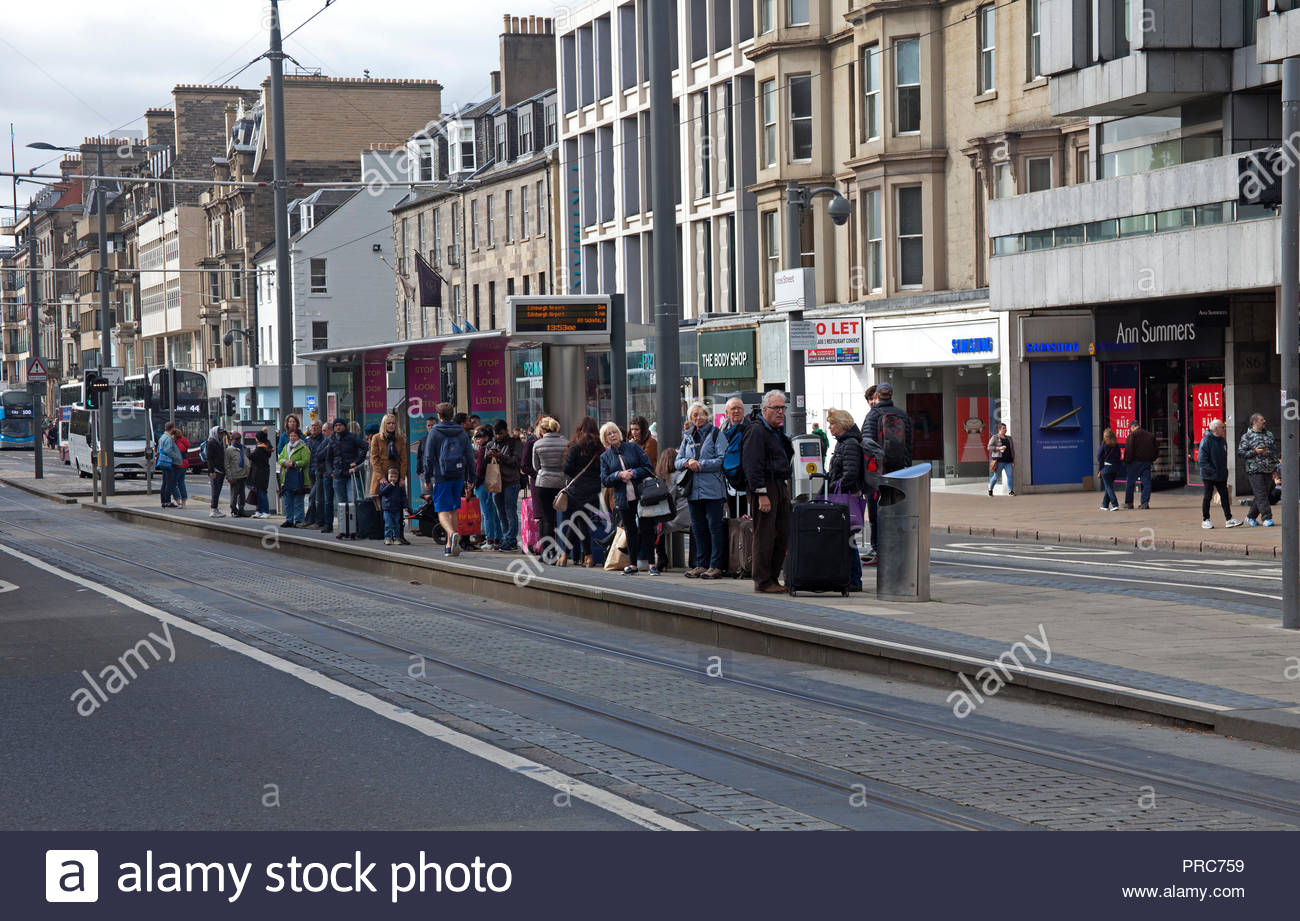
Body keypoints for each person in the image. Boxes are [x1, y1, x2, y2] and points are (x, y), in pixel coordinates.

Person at [742, 390, 794, 594]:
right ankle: (763, 581)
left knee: (782, 534)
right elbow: (752, 465)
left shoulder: (775, 431)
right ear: (765, 410)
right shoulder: (757, 431)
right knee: (765, 534)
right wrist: (761, 493)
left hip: (779, 485)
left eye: (783, 408)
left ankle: (772, 577)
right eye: (776, 408)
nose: (781, 412)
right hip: (766, 487)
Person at [676, 402, 727, 579]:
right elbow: (677, 461)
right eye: (694, 415)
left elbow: (721, 460)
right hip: (693, 491)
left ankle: (715, 565)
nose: (698, 418)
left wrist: (700, 465)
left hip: (713, 490)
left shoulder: (716, 434)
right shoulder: (687, 437)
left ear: (707, 415)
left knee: (715, 527)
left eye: (701, 414)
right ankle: (701, 564)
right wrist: (687, 462)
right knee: (698, 528)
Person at [600, 421, 656, 575]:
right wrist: (618, 475)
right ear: (605, 438)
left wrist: (634, 473)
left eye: (614, 432)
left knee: (647, 529)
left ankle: (652, 564)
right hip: (622, 498)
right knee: (630, 531)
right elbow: (604, 479)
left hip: (642, 495)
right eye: (609, 434)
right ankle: (633, 564)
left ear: (619, 433)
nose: (613, 435)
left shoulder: (633, 447)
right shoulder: (605, 457)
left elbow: (648, 467)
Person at [423, 402, 474, 556]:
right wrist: (471, 477)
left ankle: (451, 534)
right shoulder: (461, 432)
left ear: (439, 416)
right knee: (453, 509)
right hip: (458, 475)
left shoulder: (435, 432)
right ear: (452, 414)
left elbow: (428, 457)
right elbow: (470, 456)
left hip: (441, 476)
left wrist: (427, 477)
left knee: (442, 510)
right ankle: (450, 545)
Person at [826, 408, 864, 593]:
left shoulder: (849, 443)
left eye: (832, 424)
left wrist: (833, 487)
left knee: (848, 539)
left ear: (841, 424)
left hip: (846, 497)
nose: (830, 428)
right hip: (842, 495)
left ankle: (855, 579)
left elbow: (850, 474)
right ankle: (850, 577)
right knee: (845, 538)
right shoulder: (843, 443)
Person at [560, 416, 603, 567]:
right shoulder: (600, 447)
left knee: (578, 521)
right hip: (594, 490)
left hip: (577, 490)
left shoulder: (576, 446)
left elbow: (567, 469)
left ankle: (583, 556)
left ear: (580, 429)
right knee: (579, 521)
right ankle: (570, 555)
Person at [530, 416, 569, 563]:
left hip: (544, 482)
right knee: (562, 518)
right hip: (561, 482)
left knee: (547, 519)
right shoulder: (566, 443)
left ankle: (548, 553)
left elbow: (535, 466)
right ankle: (563, 551)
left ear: (543, 429)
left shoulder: (538, 444)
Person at [322, 417, 367, 537]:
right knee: (341, 503)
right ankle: (343, 529)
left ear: (344, 426)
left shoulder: (352, 437)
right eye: (335, 425)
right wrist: (330, 471)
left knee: (352, 500)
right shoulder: (332, 440)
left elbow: (365, 447)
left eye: (340, 425)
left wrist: (357, 462)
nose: (337, 427)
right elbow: (328, 459)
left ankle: (355, 528)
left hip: (350, 474)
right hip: (337, 474)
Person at [486, 419, 524, 552]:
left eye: (500, 433)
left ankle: (511, 540)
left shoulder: (515, 443)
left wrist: (501, 456)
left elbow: (517, 461)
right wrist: (489, 455)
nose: (498, 436)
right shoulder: (491, 443)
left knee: (510, 511)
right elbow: (484, 461)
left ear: (506, 430)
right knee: (500, 512)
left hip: (511, 482)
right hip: (496, 482)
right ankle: (506, 537)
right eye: (495, 434)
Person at [1197, 419, 1239, 530]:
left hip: (1221, 474)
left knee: (1224, 496)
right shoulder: (1206, 441)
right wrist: (1213, 471)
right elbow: (1201, 460)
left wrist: (1223, 471)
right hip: (1209, 475)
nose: (1224, 429)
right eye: (1222, 427)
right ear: (1215, 429)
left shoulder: (1222, 441)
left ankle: (1229, 519)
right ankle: (1205, 519)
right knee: (1207, 496)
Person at [1238, 412, 1279, 527]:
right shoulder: (1246, 436)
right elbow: (1240, 453)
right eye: (1262, 420)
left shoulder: (1269, 434)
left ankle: (1250, 517)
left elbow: (1273, 452)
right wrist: (1254, 452)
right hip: (1254, 470)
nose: (1264, 421)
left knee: (1262, 494)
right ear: (1254, 422)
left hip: (1268, 469)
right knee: (1261, 494)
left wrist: (1274, 469)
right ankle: (1267, 517)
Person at [862, 382, 912, 473]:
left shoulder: (873, 415)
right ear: (891, 396)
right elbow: (908, 444)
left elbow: (867, 444)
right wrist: (907, 465)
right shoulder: (903, 415)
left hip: (880, 469)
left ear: (876, 395)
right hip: (900, 468)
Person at [471, 426, 503, 550]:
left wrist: (474, 483)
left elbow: (479, 470)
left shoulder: (483, 450)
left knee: (487, 513)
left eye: (479, 437)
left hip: (482, 484)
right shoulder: (494, 447)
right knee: (494, 512)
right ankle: (498, 538)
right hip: (493, 482)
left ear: (486, 437)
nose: (477, 440)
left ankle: (489, 539)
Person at [860, 385, 880, 564]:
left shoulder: (871, 418)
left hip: (875, 475)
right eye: (870, 399)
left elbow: (865, 447)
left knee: (875, 514)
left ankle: (876, 549)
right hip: (892, 474)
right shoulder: (898, 416)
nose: (872, 402)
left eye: (874, 398)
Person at [277, 427, 311, 527]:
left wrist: (294, 463)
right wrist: (284, 462)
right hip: (286, 477)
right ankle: (289, 519)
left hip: (298, 477)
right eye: (291, 436)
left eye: (294, 436)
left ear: (298, 437)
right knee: (287, 501)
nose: (292, 438)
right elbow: (280, 458)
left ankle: (299, 520)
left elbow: (306, 461)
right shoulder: (286, 447)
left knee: (298, 500)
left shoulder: (304, 447)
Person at [1123, 422, 1159, 509]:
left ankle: (1129, 503)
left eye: (1130, 428)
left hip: (1134, 462)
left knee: (1130, 483)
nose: (1130, 430)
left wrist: (1127, 461)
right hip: (1146, 462)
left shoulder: (1132, 436)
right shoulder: (1150, 436)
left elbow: (1129, 450)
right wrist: (1152, 459)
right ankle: (1145, 503)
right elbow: (1156, 449)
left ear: (1133, 427)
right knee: (1146, 483)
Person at [156, 422, 184, 509]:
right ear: (172, 429)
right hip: (168, 462)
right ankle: (167, 502)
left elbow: (158, 449)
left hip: (163, 462)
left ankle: (163, 501)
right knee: (169, 482)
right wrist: (176, 456)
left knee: (164, 483)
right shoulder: (168, 438)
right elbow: (168, 450)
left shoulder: (162, 437)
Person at [304, 419, 327, 526]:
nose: (313, 428)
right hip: (310, 472)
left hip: (320, 472)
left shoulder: (323, 440)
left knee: (314, 497)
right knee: (315, 497)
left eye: (316, 426)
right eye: (312, 425)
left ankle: (314, 520)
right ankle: (312, 520)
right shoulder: (308, 441)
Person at [225, 431, 252, 517]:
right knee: (234, 494)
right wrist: (229, 476)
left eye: (239, 439)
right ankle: (233, 510)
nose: (238, 441)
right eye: (236, 439)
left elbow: (247, 460)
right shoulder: (229, 450)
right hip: (234, 475)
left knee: (242, 494)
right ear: (232, 440)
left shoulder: (243, 448)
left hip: (243, 475)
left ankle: (241, 509)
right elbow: (227, 464)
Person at [379, 467, 408, 546]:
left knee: (396, 524)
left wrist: (405, 506)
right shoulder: (384, 484)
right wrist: (390, 485)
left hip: (397, 508)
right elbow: (382, 492)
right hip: (387, 508)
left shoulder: (400, 486)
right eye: (391, 476)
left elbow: (404, 496)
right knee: (388, 524)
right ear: (387, 476)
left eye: (395, 477)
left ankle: (396, 538)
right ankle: (387, 538)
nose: (393, 479)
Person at [249, 430, 274, 519]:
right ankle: (259, 510)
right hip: (262, 472)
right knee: (259, 492)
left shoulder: (260, 448)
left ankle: (265, 511)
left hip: (260, 473)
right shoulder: (266, 446)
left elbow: (251, 456)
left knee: (262, 492)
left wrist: (247, 451)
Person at [986, 422, 1016, 497]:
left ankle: (1010, 491)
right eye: (1003, 428)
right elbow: (989, 447)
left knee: (1010, 475)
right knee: (996, 477)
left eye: (1006, 428)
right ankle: (990, 489)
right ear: (999, 429)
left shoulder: (1009, 438)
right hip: (999, 461)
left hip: (1008, 461)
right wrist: (999, 448)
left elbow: (1012, 450)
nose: (1005, 430)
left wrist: (1013, 460)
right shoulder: (995, 437)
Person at [1097, 428, 1122, 511]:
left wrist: (1100, 469)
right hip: (1115, 468)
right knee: (1109, 486)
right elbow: (1119, 457)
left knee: (1108, 487)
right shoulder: (1117, 445)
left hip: (1106, 468)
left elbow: (1099, 457)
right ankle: (1104, 505)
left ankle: (1115, 504)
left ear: (1105, 436)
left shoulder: (1104, 445)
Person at [205, 426, 227, 518]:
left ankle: (216, 508)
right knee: (215, 491)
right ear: (215, 433)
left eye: (222, 433)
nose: (221, 435)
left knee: (217, 491)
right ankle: (214, 509)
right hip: (215, 470)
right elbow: (209, 458)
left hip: (221, 470)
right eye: (220, 433)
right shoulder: (211, 443)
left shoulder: (220, 442)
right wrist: (211, 471)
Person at [172, 427, 191, 508]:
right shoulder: (184, 441)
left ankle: (178, 500)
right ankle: (184, 501)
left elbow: (176, 455)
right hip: (185, 464)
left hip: (179, 464)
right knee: (181, 482)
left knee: (173, 483)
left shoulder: (178, 444)